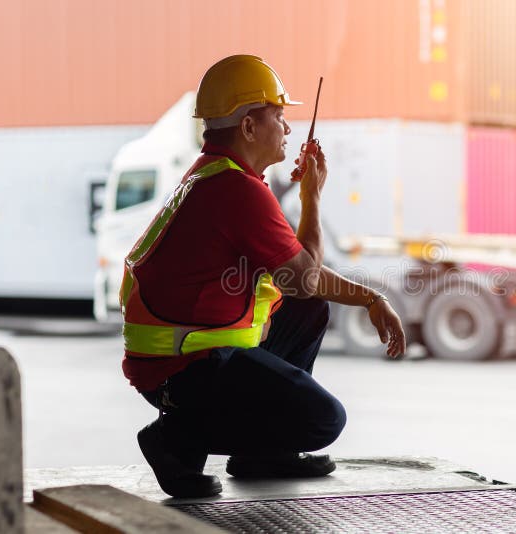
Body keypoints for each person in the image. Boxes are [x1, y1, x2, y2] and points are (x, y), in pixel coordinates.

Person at [119, 55, 406, 498]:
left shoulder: (215, 177)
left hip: (181, 361)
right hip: (182, 371)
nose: (288, 129)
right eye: (278, 116)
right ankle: (175, 439)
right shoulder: (236, 190)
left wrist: (370, 299)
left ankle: (262, 453)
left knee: (307, 310)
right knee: (323, 420)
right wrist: (311, 197)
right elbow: (305, 277)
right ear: (249, 127)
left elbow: (297, 277)